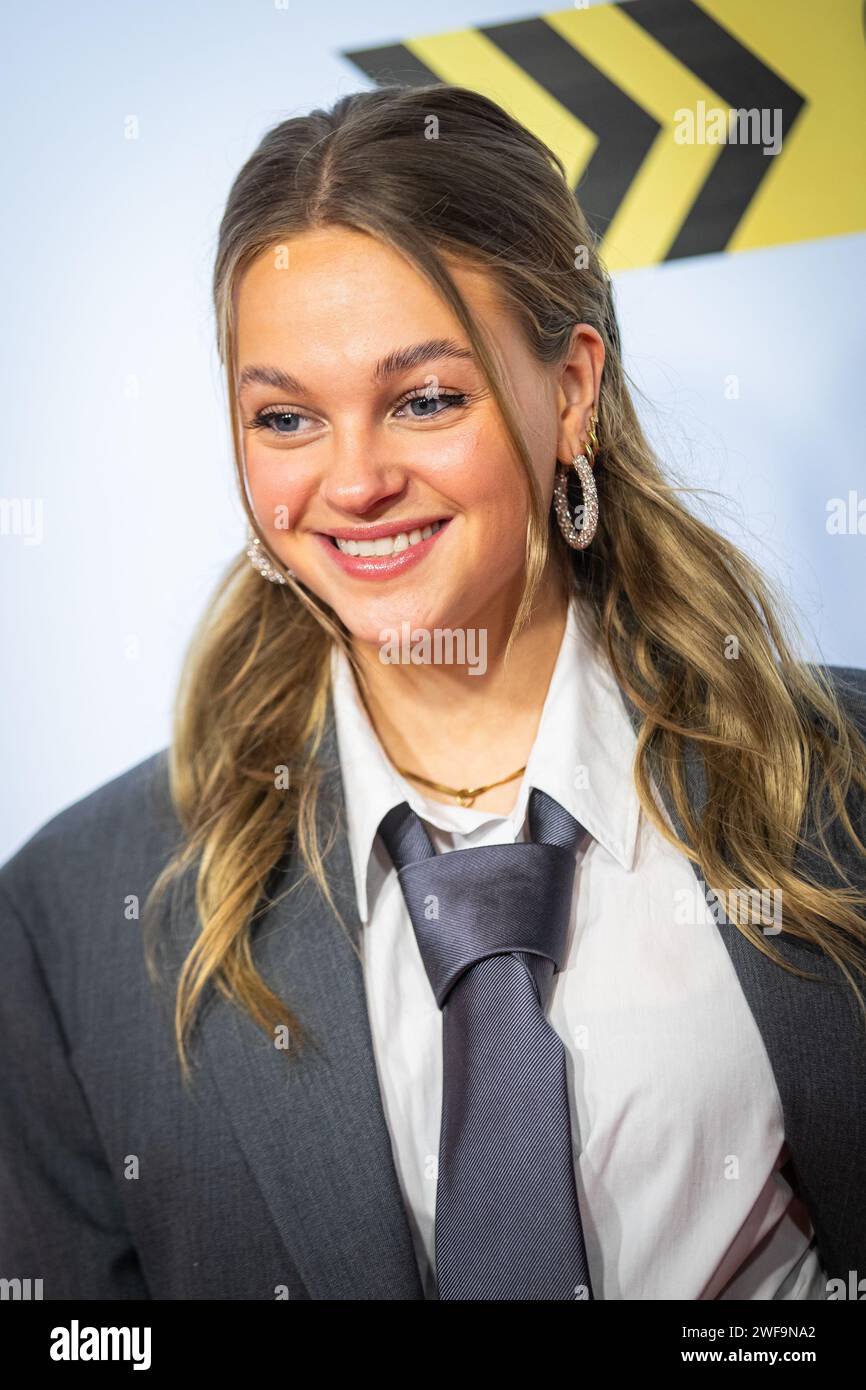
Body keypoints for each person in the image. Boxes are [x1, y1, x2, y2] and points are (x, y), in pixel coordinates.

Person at [1, 83, 865, 1303]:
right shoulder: (72, 914)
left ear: (569, 391)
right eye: (287, 416)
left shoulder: (843, 782)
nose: (352, 482)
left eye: (424, 399)